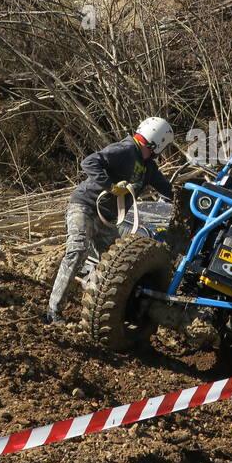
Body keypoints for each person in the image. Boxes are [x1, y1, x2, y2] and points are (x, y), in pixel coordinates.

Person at [46, 117, 176, 324]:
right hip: (85, 206)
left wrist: (174, 201)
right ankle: (53, 311)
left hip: (107, 218)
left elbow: (167, 189)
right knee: (78, 249)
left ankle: (94, 308)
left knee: (113, 265)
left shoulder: (148, 167)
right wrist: (111, 186)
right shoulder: (125, 149)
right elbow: (89, 162)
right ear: (158, 142)